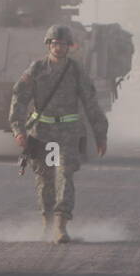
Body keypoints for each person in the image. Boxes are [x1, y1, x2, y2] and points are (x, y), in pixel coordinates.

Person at [9, 25, 108, 243]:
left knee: (65, 175)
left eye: (62, 44)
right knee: (45, 179)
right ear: (49, 45)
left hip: (68, 134)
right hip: (42, 134)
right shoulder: (36, 69)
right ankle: (47, 222)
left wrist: (100, 134)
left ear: (68, 47)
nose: (58, 47)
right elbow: (19, 98)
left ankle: (61, 225)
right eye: (54, 43)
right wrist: (18, 129)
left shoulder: (76, 70)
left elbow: (91, 103)